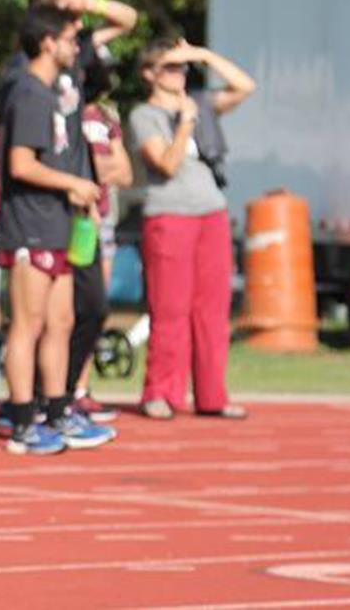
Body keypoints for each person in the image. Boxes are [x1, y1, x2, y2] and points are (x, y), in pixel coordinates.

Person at [0, 0, 137, 427]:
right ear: (48, 36)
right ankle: (21, 413)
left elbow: (128, 19)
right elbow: (21, 162)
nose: (79, 43)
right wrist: (69, 183)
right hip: (34, 214)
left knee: (71, 314)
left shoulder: (67, 67)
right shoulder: (27, 83)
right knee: (29, 321)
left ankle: (59, 407)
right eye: (69, 31)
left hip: (68, 211)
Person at [130, 37, 255, 420]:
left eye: (182, 67)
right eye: (170, 67)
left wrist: (201, 55)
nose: (180, 73)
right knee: (170, 309)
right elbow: (165, 164)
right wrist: (184, 123)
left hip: (211, 214)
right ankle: (161, 392)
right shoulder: (143, 115)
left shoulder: (202, 103)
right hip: (169, 215)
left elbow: (244, 86)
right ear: (150, 74)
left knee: (212, 311)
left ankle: (212, 396)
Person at [71, 96, 131, 422]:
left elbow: (124, 172)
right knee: (66, 309)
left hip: (99, 220)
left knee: (95, 308)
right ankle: (58, 390)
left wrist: (93, 165)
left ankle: (81, 387)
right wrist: (97, 166)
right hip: (70, 219)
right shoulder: (63, 105)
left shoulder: (106, 117)